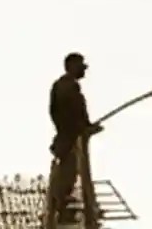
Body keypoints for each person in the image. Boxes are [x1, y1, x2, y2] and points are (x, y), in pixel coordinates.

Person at [48, 52, 103, 224]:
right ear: (72, 67)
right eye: (81, 66)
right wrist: (82, 129)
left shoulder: (64, 86)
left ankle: (65, 205)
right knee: (69, 173)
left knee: (71, 173)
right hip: (70, 139)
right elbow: (69, 115)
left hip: (70, 137)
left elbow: (63, 113)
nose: (84, 70)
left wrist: (86, 127)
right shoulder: (67, 87)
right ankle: (63, 208)